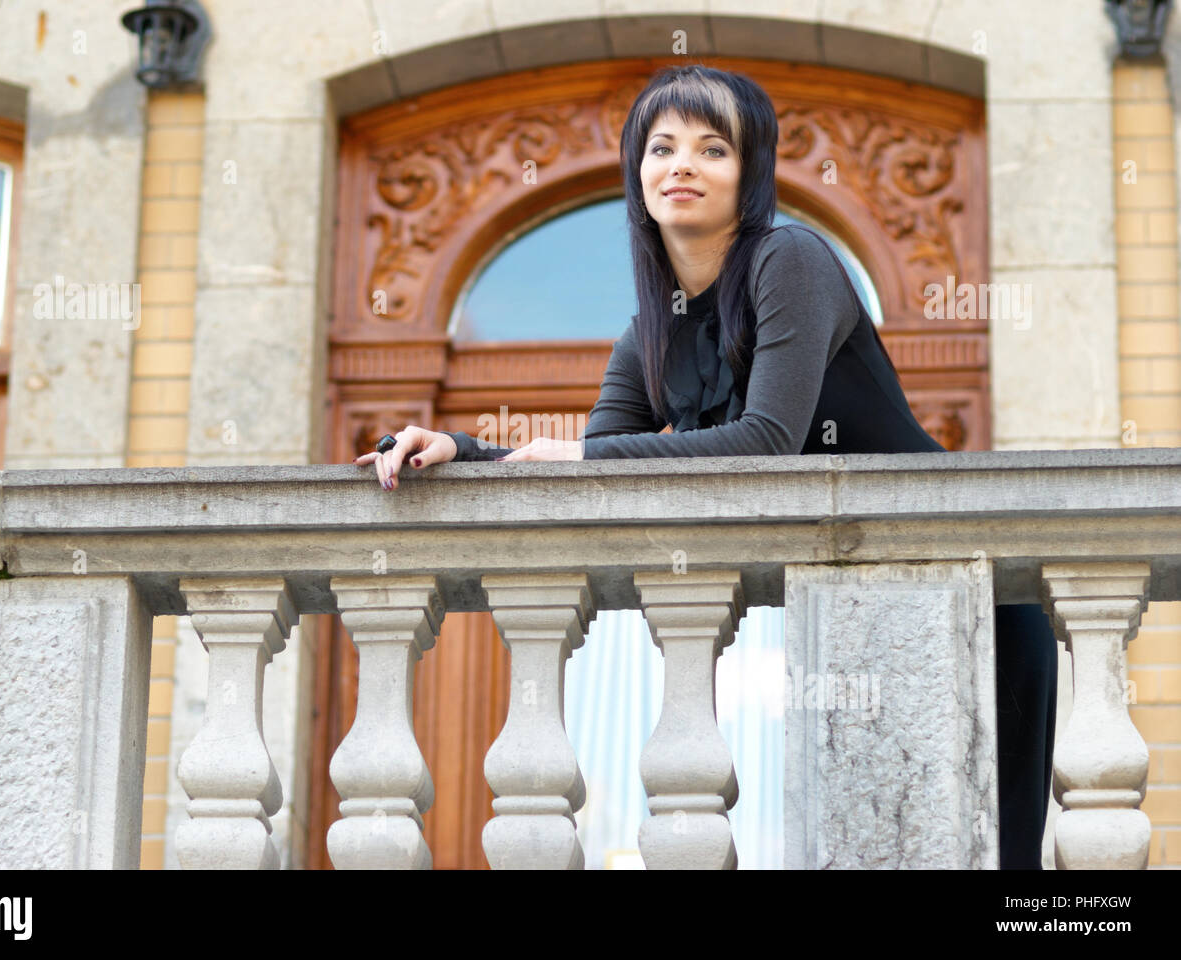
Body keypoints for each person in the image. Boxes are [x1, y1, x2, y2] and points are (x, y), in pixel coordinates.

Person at [352, 63, 1058, 869]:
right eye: (661, 147)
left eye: (712, 148)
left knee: (1002, 870)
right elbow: (591, 468)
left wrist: (578, 451)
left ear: (749, 175)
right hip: (848, 600)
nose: (682, 164)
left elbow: (764, 444)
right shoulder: (648, 334)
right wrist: (461, 449)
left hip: (966, 596)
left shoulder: (789, 260)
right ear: (637, 173)